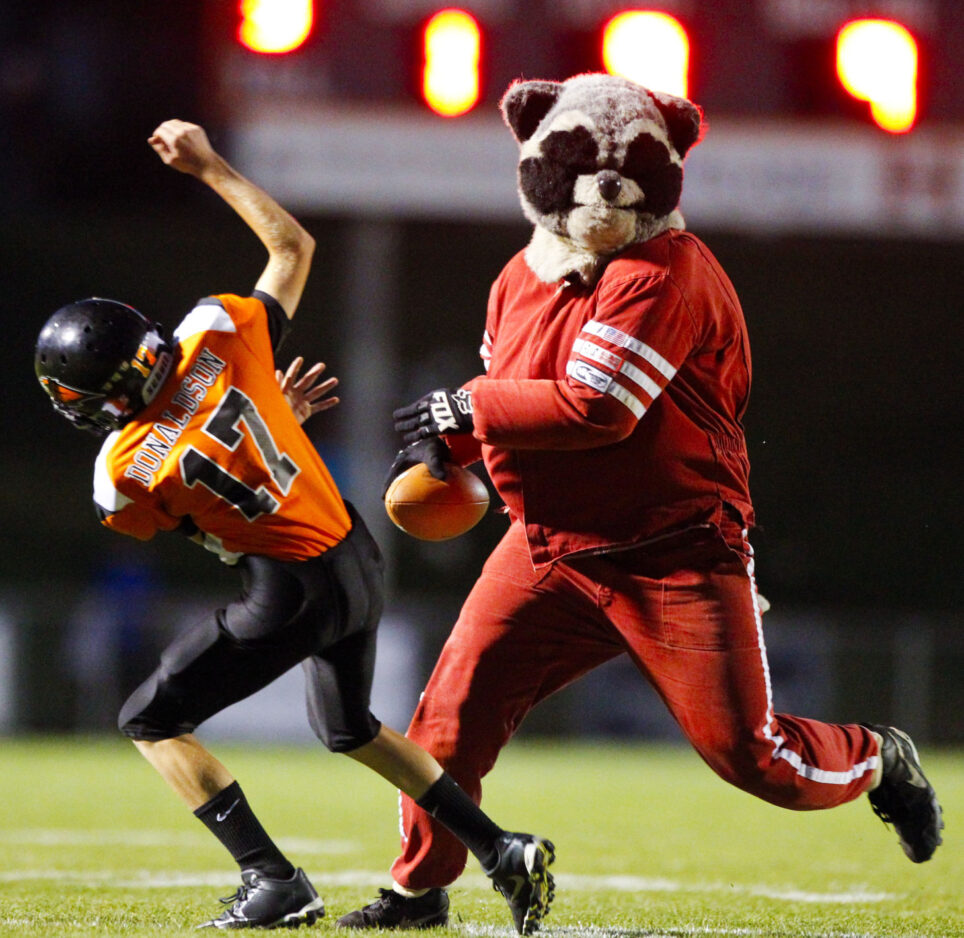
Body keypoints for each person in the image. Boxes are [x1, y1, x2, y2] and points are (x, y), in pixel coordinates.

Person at [337, 75, 944, 929]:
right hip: (546, 546)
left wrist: (461, 407)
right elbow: (511, 396)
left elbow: (597, 409)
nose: (604, 189)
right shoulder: (518, 277)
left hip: (672, 550)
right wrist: (446, 450)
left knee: (751, 756)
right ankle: (417, 891)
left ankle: (880, 761)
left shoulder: (666, 269)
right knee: (446, 723)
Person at [34, 119, 555, 933]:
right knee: (350, 729)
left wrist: (263, 420)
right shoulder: (217, 334)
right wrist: (207, 166)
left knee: (150, 717)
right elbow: (292, 246)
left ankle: (270, 877)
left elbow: (193, 514)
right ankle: (499, 851)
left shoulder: (121, 472)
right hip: (355, 556)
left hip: (289, 589)